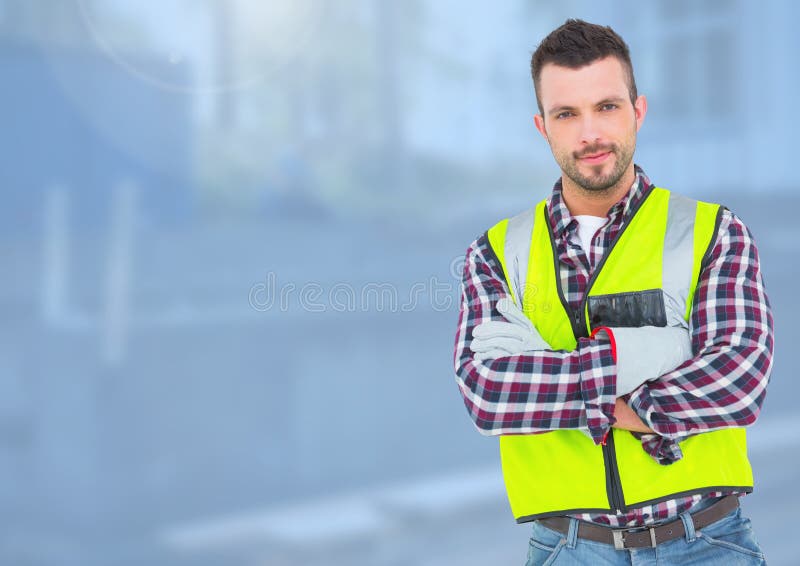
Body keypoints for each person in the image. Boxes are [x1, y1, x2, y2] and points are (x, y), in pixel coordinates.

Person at [452, 19, 774, 565]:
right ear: (542, 126)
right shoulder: (497, 252)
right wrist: (656, 357)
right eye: (566, 114)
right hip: (569, 549)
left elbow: (739, 377)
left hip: (707, 543)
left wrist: (554, 371)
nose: (590, 134)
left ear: (638, 111)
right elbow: (487, 393)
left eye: (607, 106)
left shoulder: (713, 231)